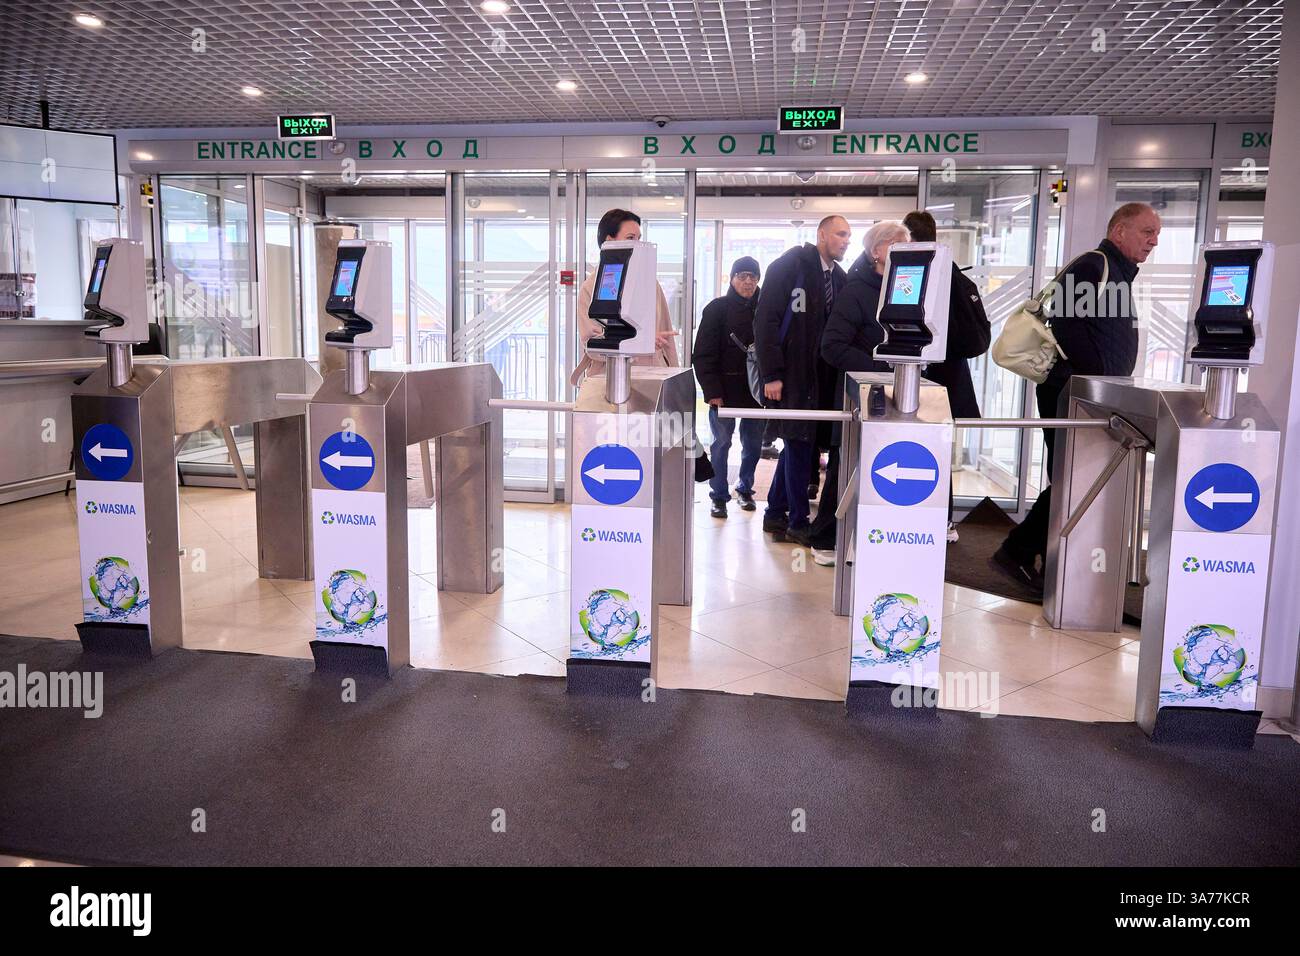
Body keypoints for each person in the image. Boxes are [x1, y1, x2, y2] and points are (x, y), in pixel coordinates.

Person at [992, 202, 1161, 593]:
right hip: (1073, 393)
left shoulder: (1117, 273)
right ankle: (1015, 552)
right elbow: (1067, 325)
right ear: (1119, 231)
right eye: (1146, 231)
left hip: (1090, 393)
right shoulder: (1094, 264)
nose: (1153, 241)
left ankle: (1047, 559)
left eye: (1156, 235)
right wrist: (1095, 380)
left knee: (1075, 479)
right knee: (1073, 480)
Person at [815, 221, 911, 564]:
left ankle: (866, 537)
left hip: (895, 394)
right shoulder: (857, 291)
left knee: (877, 467)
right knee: (846, 465)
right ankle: (825, 538)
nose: (906, 252)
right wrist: (881, 367)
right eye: (898, 245)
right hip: (860, 397)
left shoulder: (902, 289)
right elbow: (832, 346)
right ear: (877, 252)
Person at [754, 215, 851, 546]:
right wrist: (772, 374)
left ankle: (774, 513)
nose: (845, 240)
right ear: (822, 235)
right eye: (840, 234)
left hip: (821, 378)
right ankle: (797, 521)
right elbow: (765, 320)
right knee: (798, 443)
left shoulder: (839, 277)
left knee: (798, 443)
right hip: (791, 375)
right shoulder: (790, 265)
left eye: (848, 236)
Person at [901, 210, 992, 543]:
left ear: (910, 238)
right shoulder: (955, 273)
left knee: (921, 448)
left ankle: (924, 517)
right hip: (951, 380)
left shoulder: (918, 273)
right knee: (938, 451)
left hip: (926, 378)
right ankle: (944, 520)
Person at [572, 208, 679, 385]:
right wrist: (640, 342)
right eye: (630, 238)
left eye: (639, 238)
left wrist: (674, 378)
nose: (637, 244)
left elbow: (668, 339)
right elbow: (592, 345)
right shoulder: (590, 288)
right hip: (609, 381)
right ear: (609, 241)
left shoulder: (651, 284)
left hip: (652, 377)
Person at [694, 256, 764, 518]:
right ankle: (719, 495)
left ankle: (745, 489)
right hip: (723, 391)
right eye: (742, 275)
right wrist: (712, 392)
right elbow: (702, 354)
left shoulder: (767, 308)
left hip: (757, 392)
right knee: (721, 444)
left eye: (753, 276)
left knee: (754, 444)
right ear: (732, 278)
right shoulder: (717, 309)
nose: (748, 281)